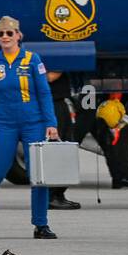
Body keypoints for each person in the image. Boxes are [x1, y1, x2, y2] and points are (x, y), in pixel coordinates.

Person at [0, 17, 60, 239]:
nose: (5, 37)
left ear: (19, 35)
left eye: (10, 33)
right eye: (1, 34)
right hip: (5, 123)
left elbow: (44, 93)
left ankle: (41, 225)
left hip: (33, 123)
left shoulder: (32, 60)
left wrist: (51, 124)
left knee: (37, 175)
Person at [44, 70, 84, 209]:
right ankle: (52, 195)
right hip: (53, 103)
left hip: (58, 102)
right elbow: (50, 76)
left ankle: (57, 194)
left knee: (65, 148)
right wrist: (63, 64)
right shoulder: (52, 52)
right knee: (59, 150)